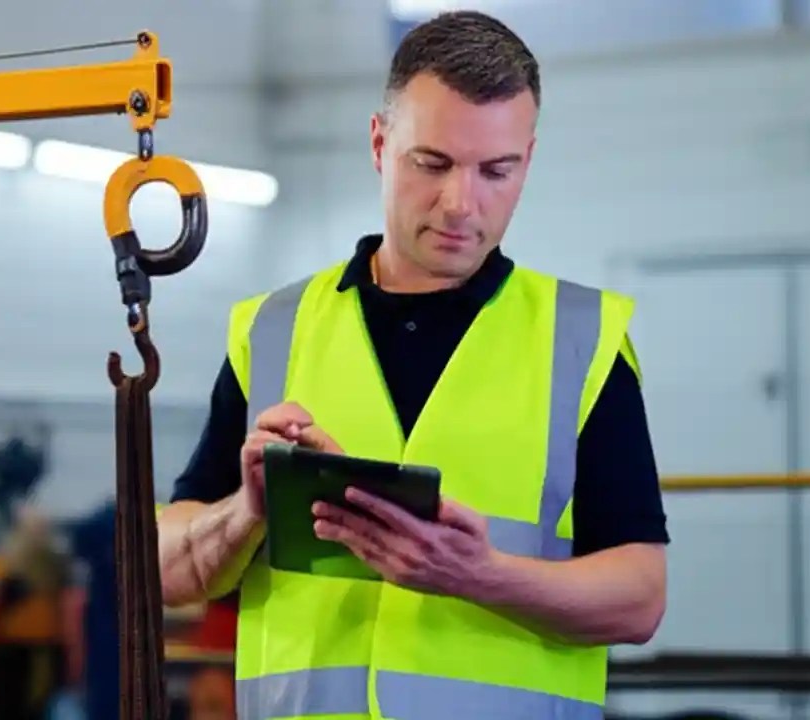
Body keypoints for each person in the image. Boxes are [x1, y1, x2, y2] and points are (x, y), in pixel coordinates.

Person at [156, 10, 670, 720]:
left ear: (529, 160)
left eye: (498, 170)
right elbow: (166, 570)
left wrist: (481, 577)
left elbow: (641, 597)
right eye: (432, 163)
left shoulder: (582, 342)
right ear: (379, 142)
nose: (462, 203)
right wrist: (246, 513)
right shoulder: (276, 330)